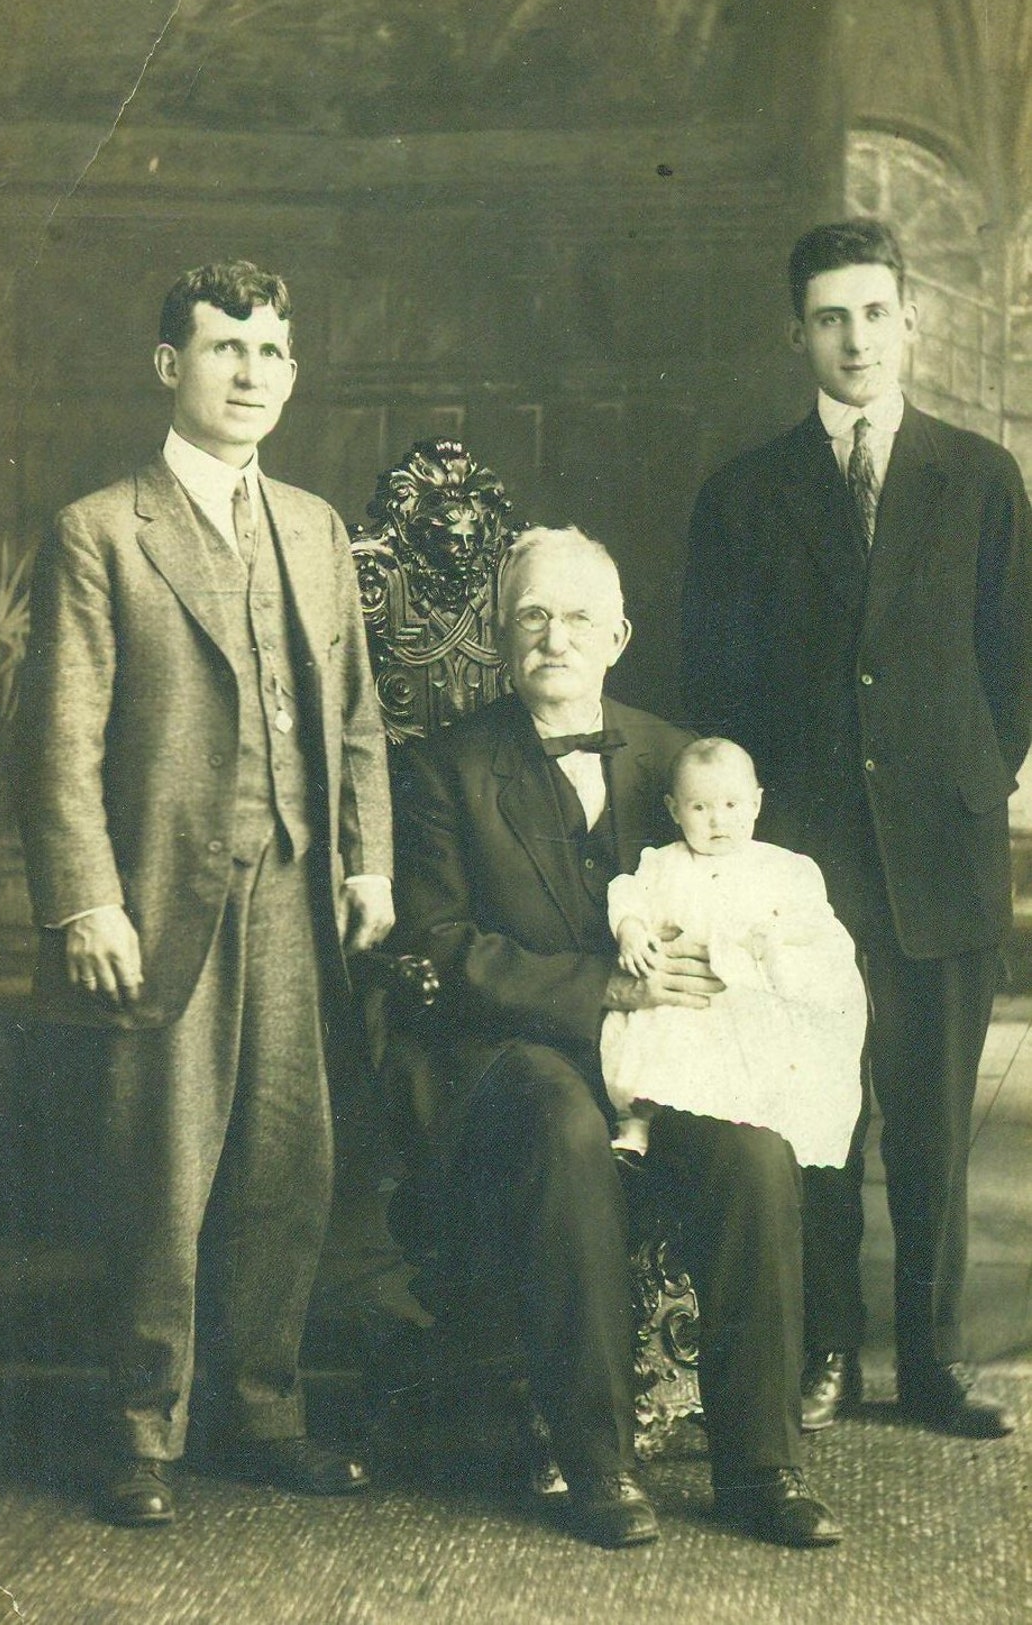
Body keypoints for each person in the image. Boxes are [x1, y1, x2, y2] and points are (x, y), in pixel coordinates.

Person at [16, 261, 395, 1526]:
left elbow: (356, 722)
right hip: (165, 895)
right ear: (168, 365)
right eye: (227, 347)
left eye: (273, 350)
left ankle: (262, 1406)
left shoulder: (316, 525)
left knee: (290, 1156)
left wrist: (368, 860)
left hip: (297, 889)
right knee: (160, 1167)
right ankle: (141, 1427)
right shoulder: (100, 530)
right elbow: (58, 742)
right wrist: (87, 901)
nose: (252, 372)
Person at [389, 524, 842, 1550]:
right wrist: (604, 993)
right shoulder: (444, 768)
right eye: (533, 616)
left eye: (580, 616)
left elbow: (745, 888)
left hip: (673, 1054)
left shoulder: (676, 755)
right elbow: (442, 946)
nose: (556, 636)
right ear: (504, 637)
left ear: (620, 635)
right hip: (517, 1051)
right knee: (561, 1123)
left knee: (755, 1143)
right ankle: (600, 1463)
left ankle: (759, 1464)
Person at [681, 218, 1032, 1439]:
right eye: (830, 317)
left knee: (933, 1124)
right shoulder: (745, 495)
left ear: (910, 322)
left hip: (940, 858)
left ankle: (931, 1364)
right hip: (803, 875)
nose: (855, 339)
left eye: (876, 312)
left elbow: (1014, 669)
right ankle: (828, 1351)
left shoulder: (982, 479)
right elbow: (714, 697)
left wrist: (967, 786)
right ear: (797, 335)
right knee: (819, 1116)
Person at [603, 736, 866, 1169]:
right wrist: (631, 929)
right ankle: (637, 1127)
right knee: (654, 1052)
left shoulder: (784, 869)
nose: (717, 821)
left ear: (757, 803)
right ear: (674, 810)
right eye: (699, 808)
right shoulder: (663, 864)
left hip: (747, 1002)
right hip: (683, 1005)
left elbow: (813, 930)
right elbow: (629, 895)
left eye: (731, 805)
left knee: (762, 1078)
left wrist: (770, 943)